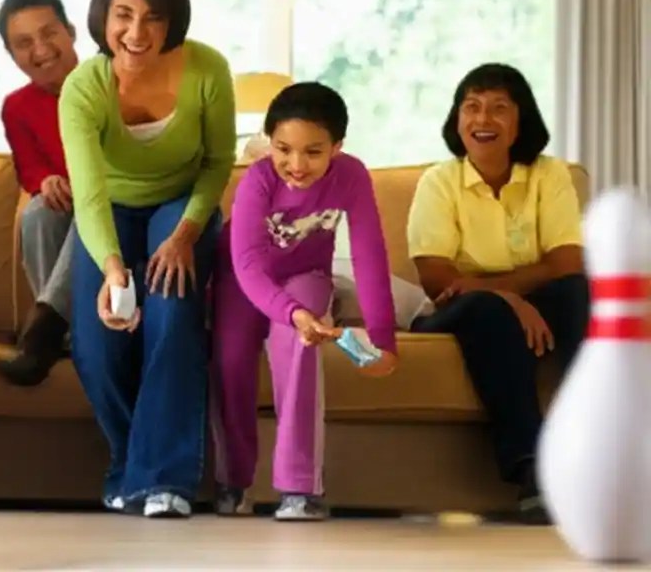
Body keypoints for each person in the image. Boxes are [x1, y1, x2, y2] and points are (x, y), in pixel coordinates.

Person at [59, 0, 237, 519]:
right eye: (123, 14)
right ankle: (128, 461)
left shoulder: (207, 70)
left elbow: (218, 162)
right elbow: (87, 193)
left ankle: (165, 480)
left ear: (173, 21)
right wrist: (113, 269)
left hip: (182, 204)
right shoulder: (83, 88)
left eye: (153, 17)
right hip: (109, 208)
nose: (137, 32)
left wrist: (186, 233)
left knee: (171, 310)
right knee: (96, 337)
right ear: (102, 18)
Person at [406, 62, 588, 525]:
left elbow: (566, 265)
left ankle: (590, 448)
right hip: (458, 309)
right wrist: (505, 297)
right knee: (486, 309)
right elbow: (437, 279)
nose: (482, 120)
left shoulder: (550, 176)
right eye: (472, 107)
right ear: (457, 119)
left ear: (520, 121)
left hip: (532, 298)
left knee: (578, 293)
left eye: (498, 109)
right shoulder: (439, 181)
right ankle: (531, 470)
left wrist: (503, 291)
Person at [211, 82, 398, 522]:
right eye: (283, 149)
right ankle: (233, 480)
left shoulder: (351, 176)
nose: (296, 165)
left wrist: (385, 340)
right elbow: (249, 264)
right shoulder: (257, 180)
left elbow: (371, 255)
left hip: (306, 276)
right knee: (231, 358)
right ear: (269, 143)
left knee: (299, 343)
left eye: (313, 152)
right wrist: (289, 312)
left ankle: (300, 489)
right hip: (242, 279)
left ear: (337, 146)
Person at [0, 0, 81, 386]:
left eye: (49, 33)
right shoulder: (16, 107)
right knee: (38, 212)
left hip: (118, 207)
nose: (41, 49)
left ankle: (43, 331)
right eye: (24, 43)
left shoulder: (111, 80)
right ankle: (63, 333)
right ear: (12, 57)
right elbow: (28, 169)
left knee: (98, 209)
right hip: (66, 210)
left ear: (71, 31)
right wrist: (45, 181)